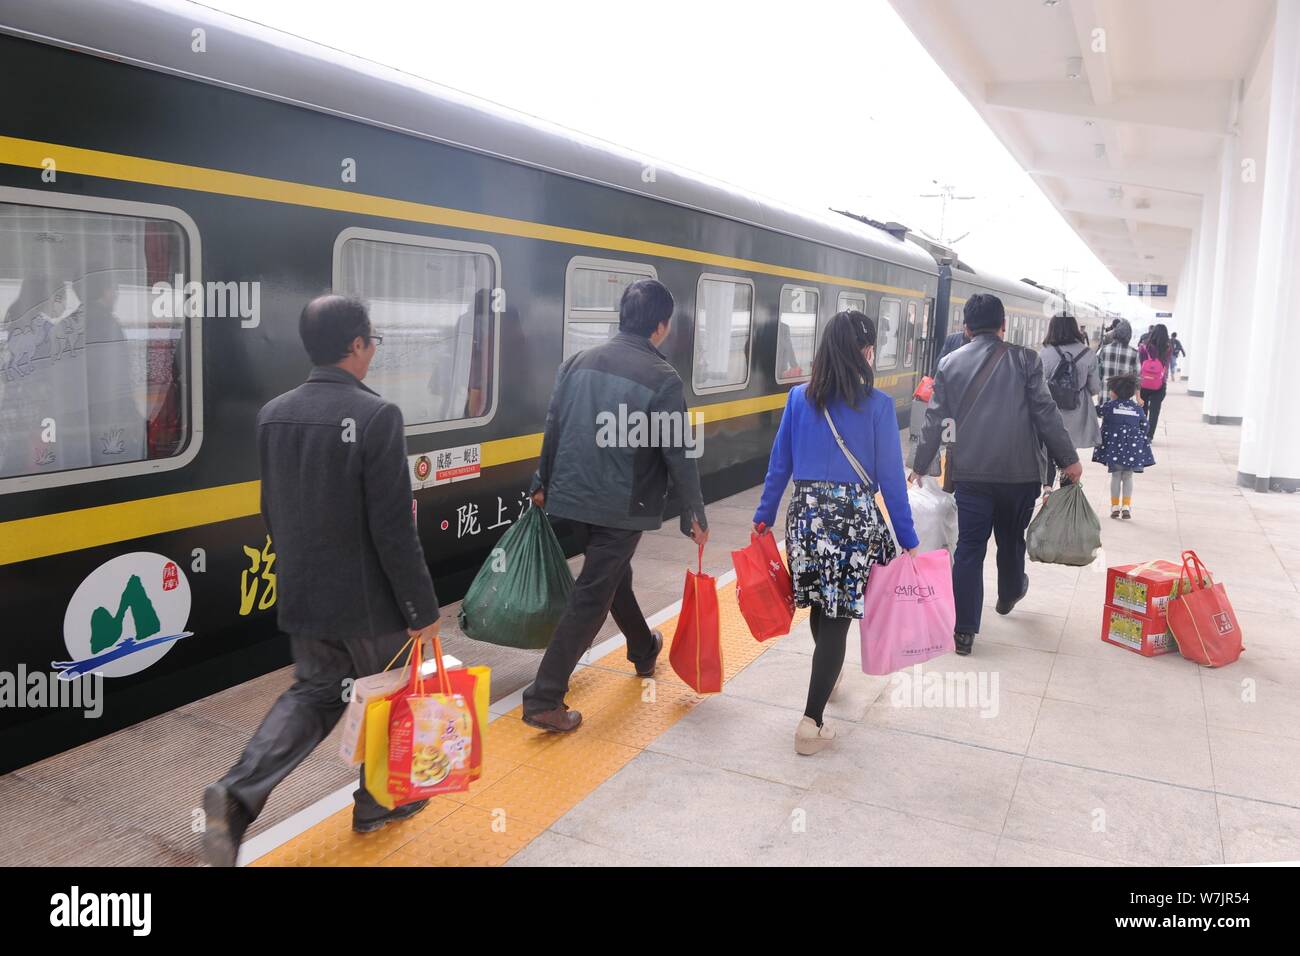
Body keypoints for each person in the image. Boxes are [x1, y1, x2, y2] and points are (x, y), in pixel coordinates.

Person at [203, 295, 442, 867]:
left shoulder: (274, 414)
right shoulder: (377, 416)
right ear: (357, 345)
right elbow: (391, 526)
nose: (372, 351)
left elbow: (272, 510)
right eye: (372, 341)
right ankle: (376, 803)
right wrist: (421, 607)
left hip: (305, 591)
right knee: (389, 693)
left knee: (314, 693)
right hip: (369, 603)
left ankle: (236, 797)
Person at [524, 278, 707, 733]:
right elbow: (677, 452)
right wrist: (694, 514)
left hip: (570, 494)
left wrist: (541, 480)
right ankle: (543, 697)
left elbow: (554, 424)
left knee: (611, 578)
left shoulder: (576, 363)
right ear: (661, 327)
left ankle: (643, 649)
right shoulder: (662, 377)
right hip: (621, 504)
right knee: (592, 592)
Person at [754, 311, 918, 755]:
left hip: (805, 520)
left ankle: (828, 673)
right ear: (865, 351)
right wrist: (908, 537)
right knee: (838, 618)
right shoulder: (878, 406)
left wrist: (763, 515)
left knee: (821, 608)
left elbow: (779, 465)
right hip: (851, 523)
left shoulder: (798, 399)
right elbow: (889, 479)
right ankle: (811, 722)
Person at [910, 294, 1081, 656]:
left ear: (966, 328)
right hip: (1020, 474)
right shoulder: (1025, 359)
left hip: (972, 474)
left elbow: (938, 420)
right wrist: (1067, 459)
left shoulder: (949, 363)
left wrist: (921, 463)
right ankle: (1009, 593)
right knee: (1011, 538)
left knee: (970, 547)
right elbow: (1045, 414)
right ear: (1003, 326)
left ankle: (965, 631)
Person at [1093, 374, 1155, 519]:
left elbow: (1095, 411)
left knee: (1116, 476)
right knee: (1128, 476)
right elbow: (1145, 426)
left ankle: (1115, 506)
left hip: (1114, 448)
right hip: (1132, 449)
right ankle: (1126, 506)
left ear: (1114, 392)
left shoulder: (1109, 406)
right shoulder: (1136, 408)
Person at [1038, 313, 1101, 451]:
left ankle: (1050, 471)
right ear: (1075, 328)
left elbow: (1037, 385)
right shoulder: (1088, 354)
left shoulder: (1044, 353)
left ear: (1052, 329)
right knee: (1070, 453)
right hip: (1077, 410)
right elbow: (1095, 388)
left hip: (1050, 409)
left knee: (1048, 451)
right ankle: (1067, 471)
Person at [1096, 318, 1142, 410]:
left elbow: (1096, 373)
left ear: (1115, 333)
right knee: (1121, 422)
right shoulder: (1134, 353)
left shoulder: (1103, 350)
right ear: (1129, 336)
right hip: (1124, 398)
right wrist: (1138, 397)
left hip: (1105, 395)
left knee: (1107, 421)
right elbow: (1137, 378)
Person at [1139, 323, 1173, 440]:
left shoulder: (1144, 347)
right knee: (1155, 410)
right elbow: (1166, 365)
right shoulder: (1168, 349)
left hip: (1144, 383)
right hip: (1159, 384)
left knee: (1142, 408)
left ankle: (1141, 432)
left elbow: (1140, 365)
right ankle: (1150, 435)